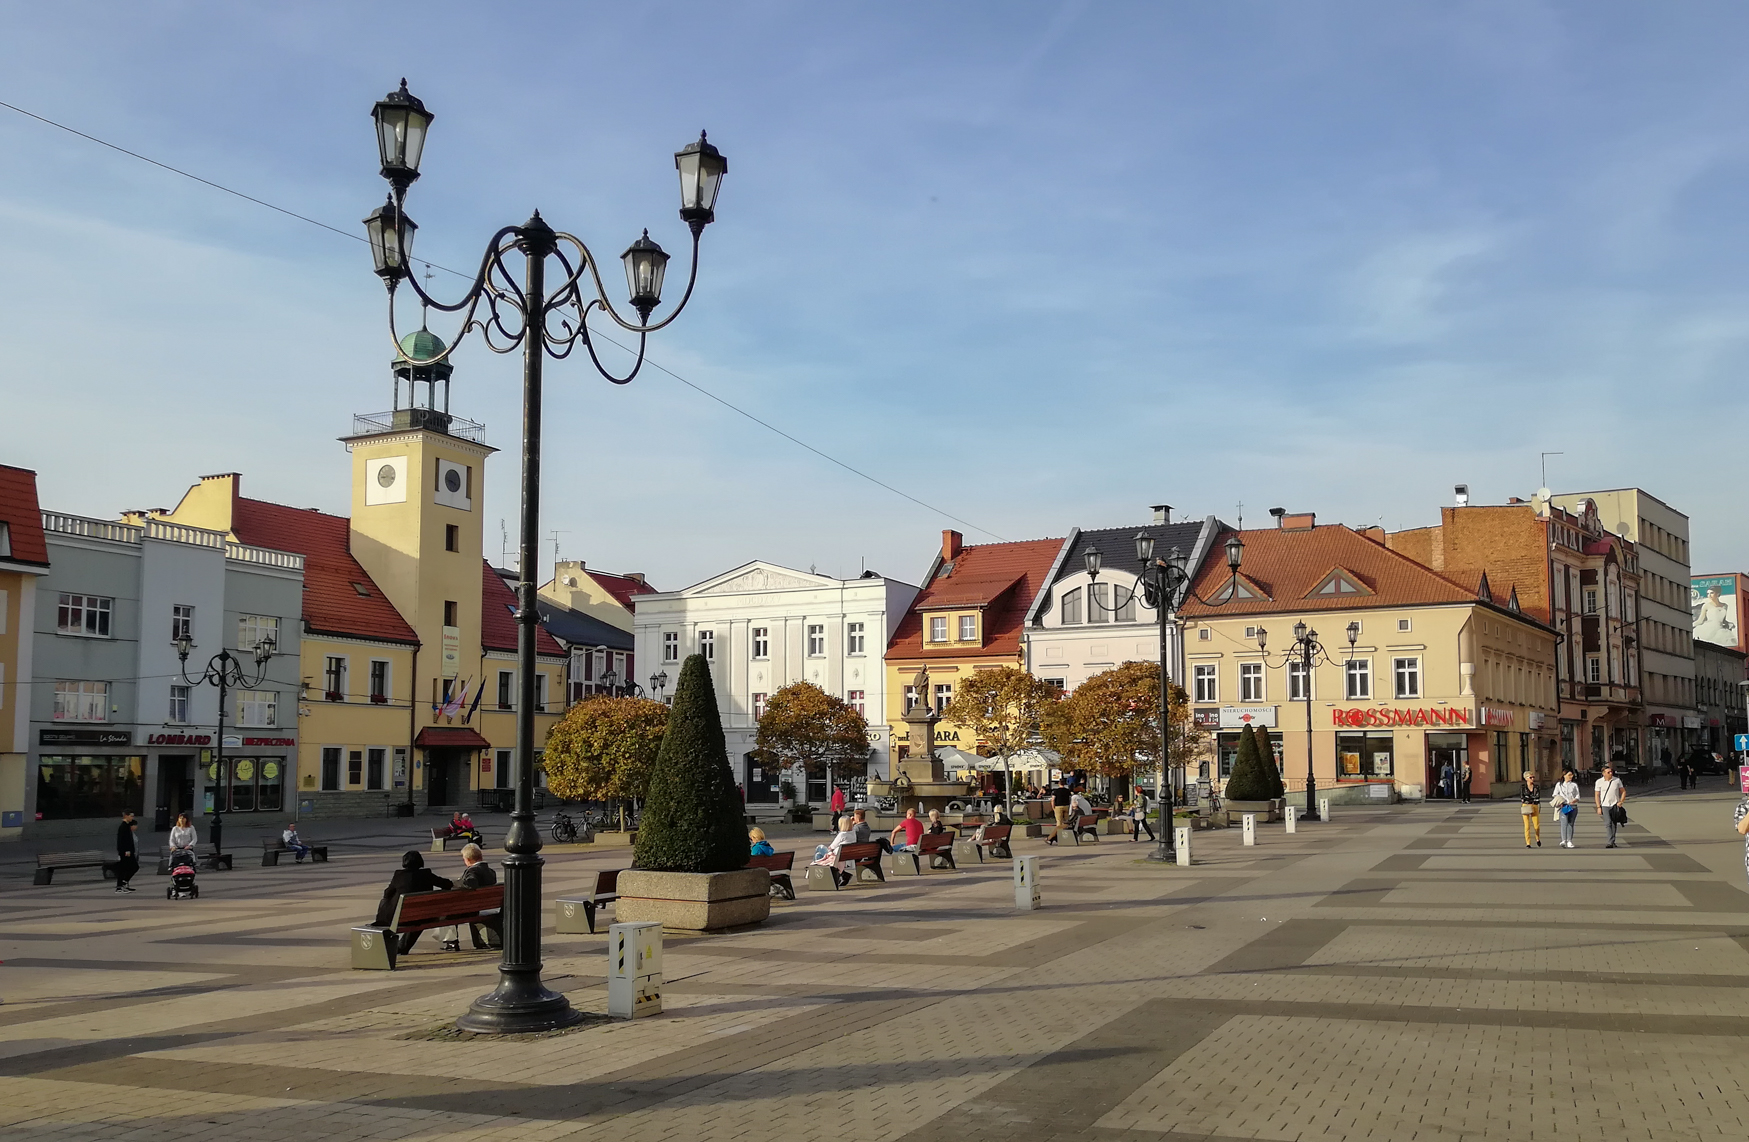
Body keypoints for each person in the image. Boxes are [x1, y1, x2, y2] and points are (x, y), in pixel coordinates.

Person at [373, 851, 454, 955]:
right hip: (422, 916)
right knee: (419, 918)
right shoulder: (426, 874)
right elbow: (447, 884)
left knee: (413, 917)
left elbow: (387, 893)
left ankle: (401, 946)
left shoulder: (399, 875)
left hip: (399, 919)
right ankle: (402, 947)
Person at [438, 843, 498, 951]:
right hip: (480, 905)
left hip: (469, 908)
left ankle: (451, 942)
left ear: (469, 860)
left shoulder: (473, 871)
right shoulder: (490, 872)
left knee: (446, 914)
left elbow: (471, 883)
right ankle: (479, 941)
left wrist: (456, 883)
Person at [810, 815, 859, 887]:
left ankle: (816, 871)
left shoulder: (842, 835)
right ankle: (839, 874)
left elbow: (832, 846)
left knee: (820, 848)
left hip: (837, 856)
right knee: (818, 855)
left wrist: (829, 850)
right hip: (845, 856)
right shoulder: (853, 833)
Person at [1595, 764, 1627, 849]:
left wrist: (1621, 801)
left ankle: (1612, 841)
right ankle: (1610, 842)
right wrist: (1598, 807)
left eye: (1611, 772)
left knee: (1614, 823)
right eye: (1608, 772)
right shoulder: (1599, 782)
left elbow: (1623, 791)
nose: (1610, 773)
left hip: (1614, 805)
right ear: (1603, 773)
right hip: (1604, 805)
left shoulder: (1617, 780)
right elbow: (1597, 795)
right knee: (1608, 823)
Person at [1551, 768, 1581, 848]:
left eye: (1572, 775)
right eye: (1569, 775)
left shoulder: (1574, 785)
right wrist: (1560, 800)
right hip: (1563, 806)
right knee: (1564, 823)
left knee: (1570, 824)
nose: (1571, 776)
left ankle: (1569, 841)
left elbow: (1578, 796)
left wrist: (1575, 800)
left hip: (1573, 806)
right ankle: (1564, 840)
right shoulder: (1559, 785)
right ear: (1564, 775)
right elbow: (1555, 794)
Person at [113, 810, 139, 893]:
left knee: (131, 867)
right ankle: (119, 887)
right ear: (126, 816)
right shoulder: (123, 826)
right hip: (125, 852)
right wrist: (126, 850)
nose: (132, 818)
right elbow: (122, 840)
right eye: (131, 816)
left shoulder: (127, 826)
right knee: (125, 868)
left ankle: (123, 883)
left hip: (129, 851)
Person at [1520, 771, 1542, 848]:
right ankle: (1528, 843)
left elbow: (1537, 797)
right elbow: (1523, 798)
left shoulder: (1536, 787)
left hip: (1534, 806)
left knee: (1536, 826)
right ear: (1526, 778)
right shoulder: (1523, 787)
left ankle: (1537, 838)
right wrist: (1531, 799)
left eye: (1533, 777)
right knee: (1527, 826)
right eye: (1530, 777)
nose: (1532, 779)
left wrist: (1530, 799)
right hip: (1526, 806)